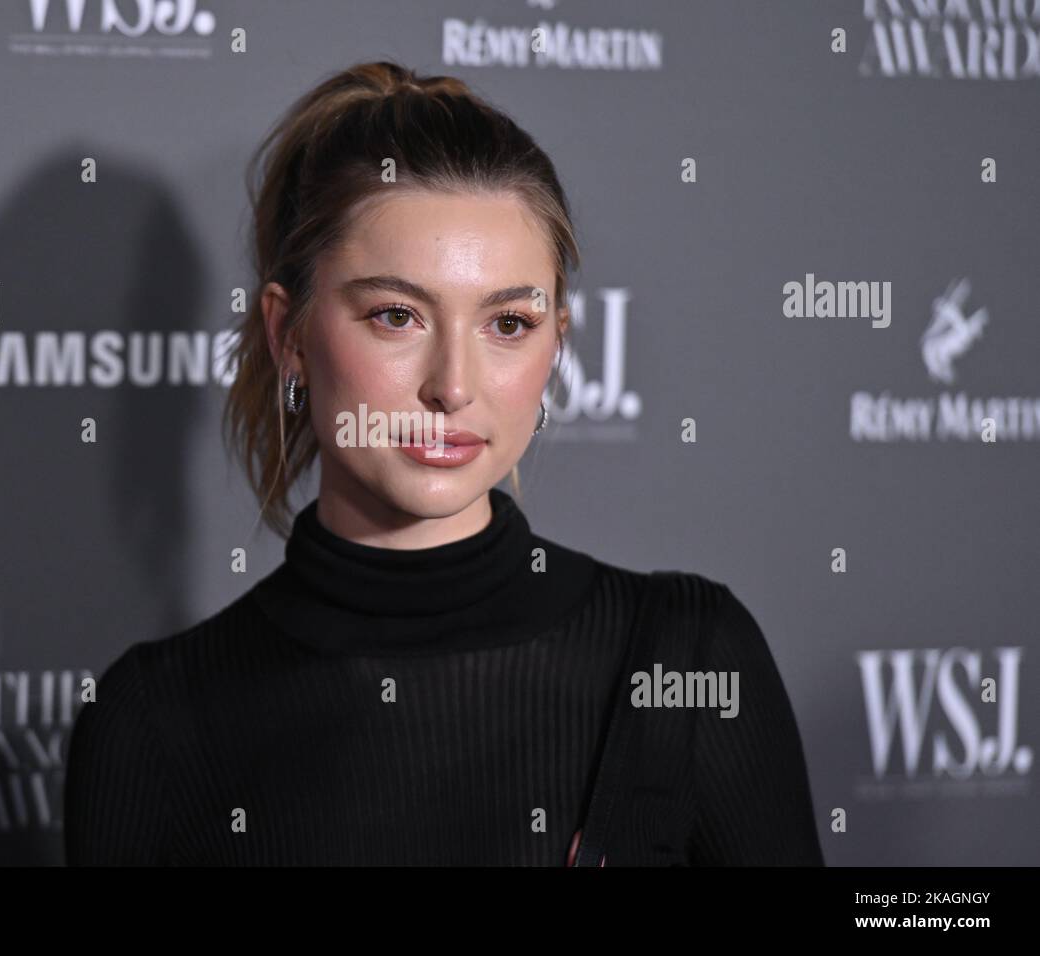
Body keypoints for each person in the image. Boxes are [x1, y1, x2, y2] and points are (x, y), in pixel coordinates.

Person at [63, 60, 824, 866]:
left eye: (508, 324)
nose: (454, 386)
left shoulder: (686, 660)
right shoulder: (152, 721)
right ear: (290, 337)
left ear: (557, 342)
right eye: (397, 315)